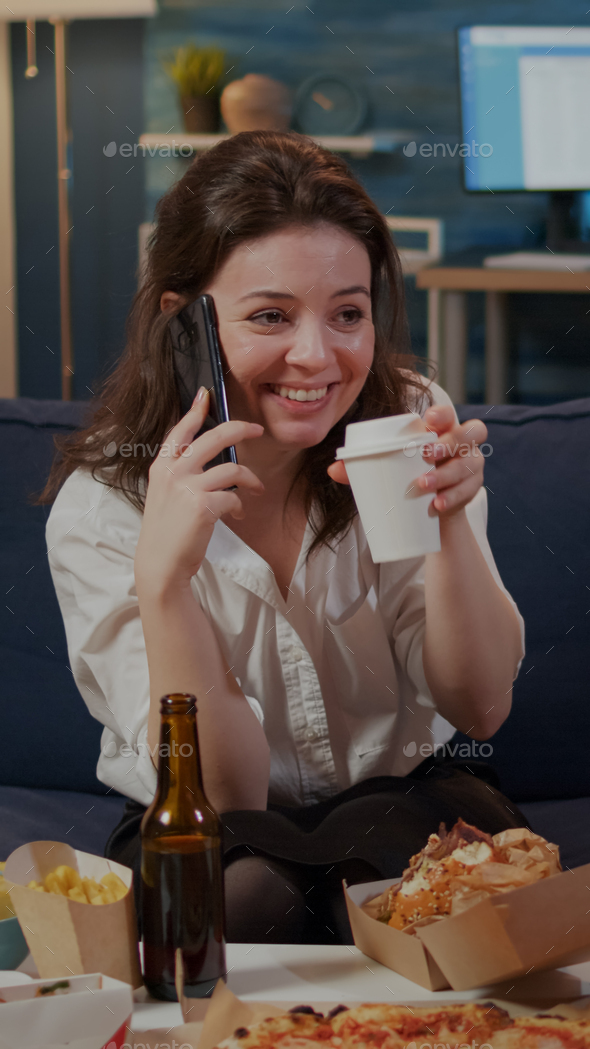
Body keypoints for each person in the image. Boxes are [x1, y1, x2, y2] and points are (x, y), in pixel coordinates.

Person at [40, 130, 527, 946]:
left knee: (397, 890)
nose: (317, 356)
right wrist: (166, 585)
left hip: (404, 795)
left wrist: (448, 523)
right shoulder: (104, 507)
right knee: (240, 898)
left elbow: (479, 705)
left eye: (348, 313)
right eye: (271, 315)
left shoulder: (403, 430)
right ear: (184, 322)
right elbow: (228, 795)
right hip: (207, 816)